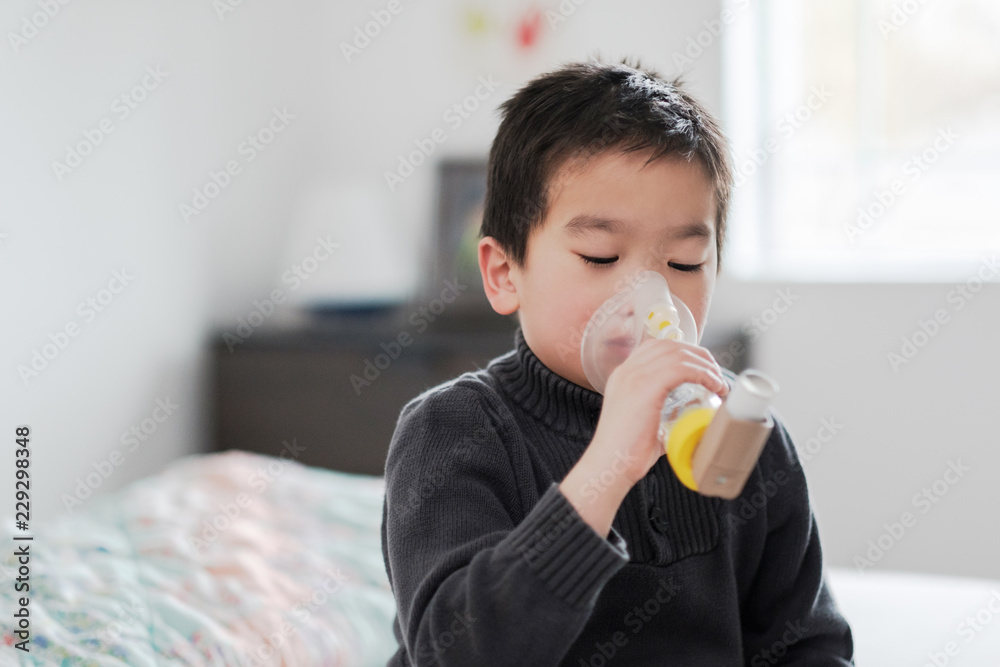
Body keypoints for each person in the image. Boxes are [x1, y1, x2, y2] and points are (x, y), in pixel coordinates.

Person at [380, 57, 854, 666]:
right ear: (504, 274)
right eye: (601, 256)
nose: (648, 298)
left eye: (684, 263)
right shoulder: (451, 434)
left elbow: (807, 644)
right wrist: (607, 467)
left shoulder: (743, 437)